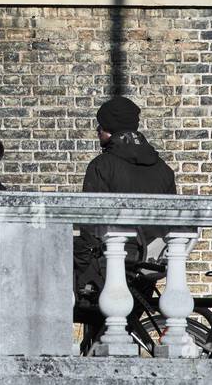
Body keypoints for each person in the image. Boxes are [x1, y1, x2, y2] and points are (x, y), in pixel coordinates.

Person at [72, 95, 177, 298]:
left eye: (100, 126)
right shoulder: (164, 169)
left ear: (108, 129)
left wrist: (84, 261)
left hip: (112, 264)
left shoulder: (102, 165)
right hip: (150, 263)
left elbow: (90, 222)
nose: (97, 131)